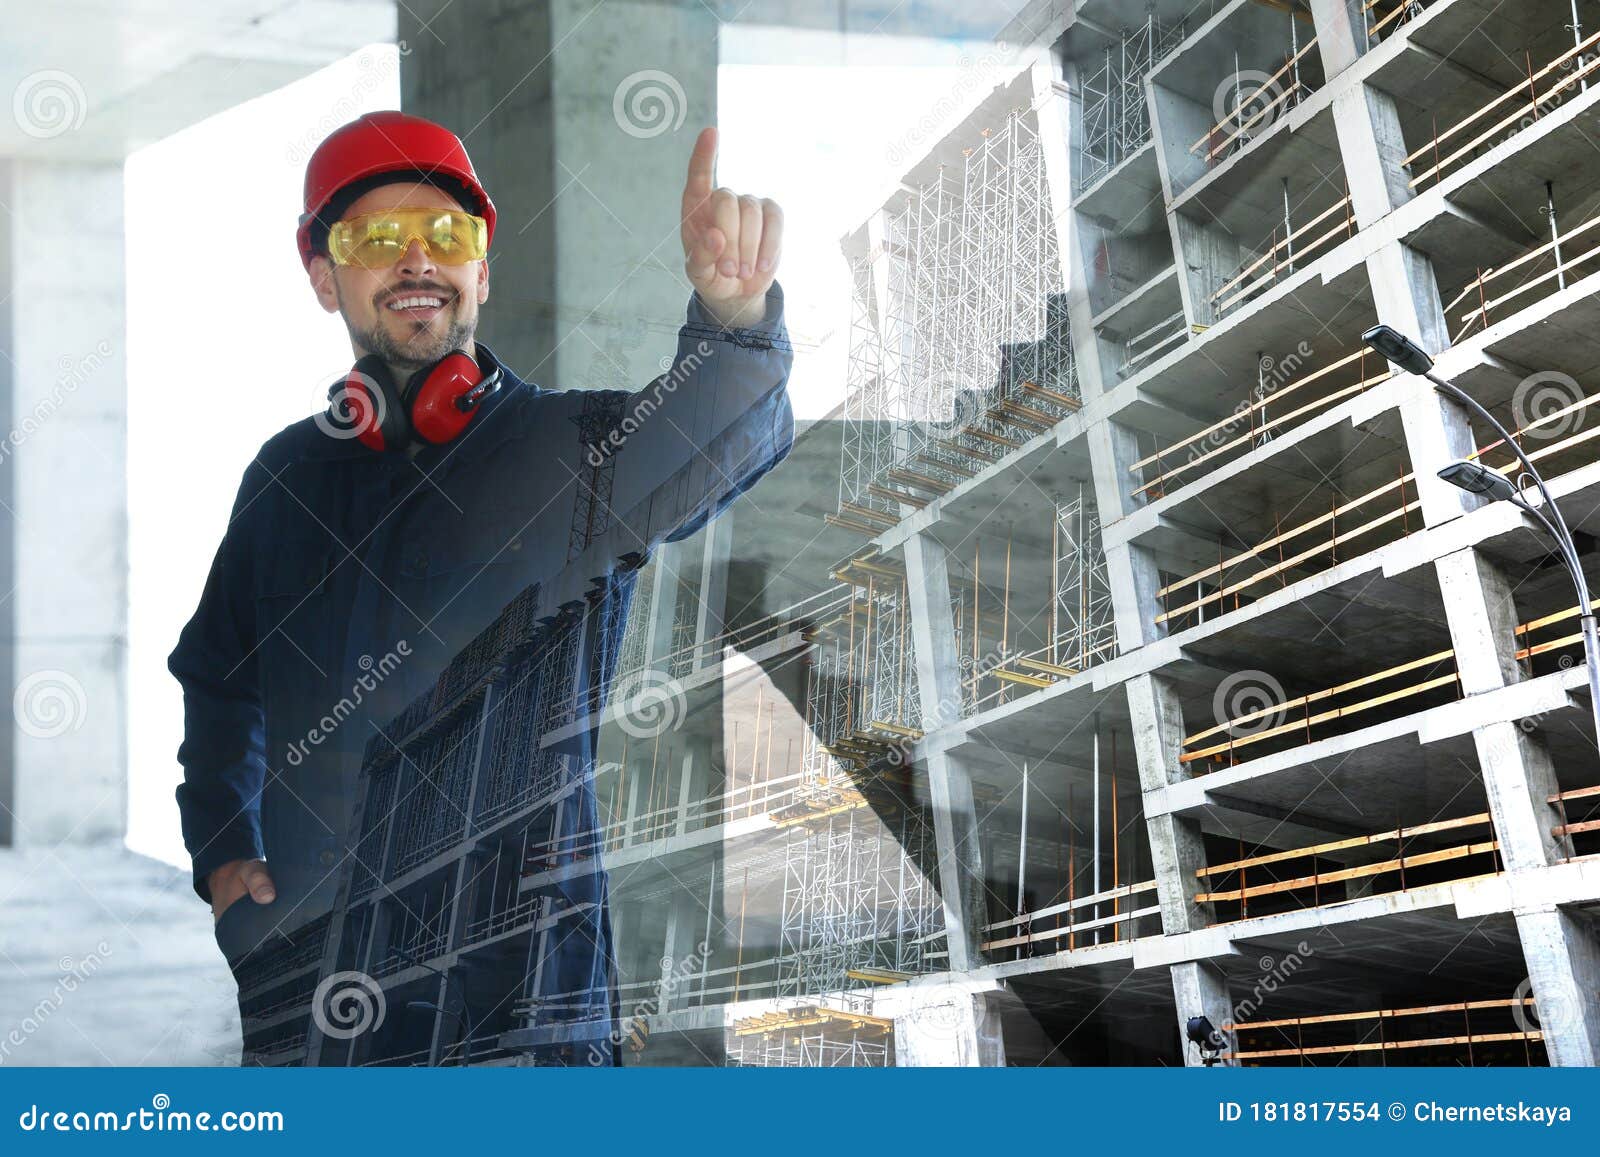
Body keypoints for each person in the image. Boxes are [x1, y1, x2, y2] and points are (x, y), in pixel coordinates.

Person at [167, 109, 794, 1064]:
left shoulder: (574, 452)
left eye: (446, 234)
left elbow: (726, 434)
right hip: (311, 1002)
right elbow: (217, 677)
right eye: (377, 237)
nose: (417, 258)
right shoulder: (283, 478)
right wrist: (222, 850)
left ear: (482, 271)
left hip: (524, 1008)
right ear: (325, 277)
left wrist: (735, 321)